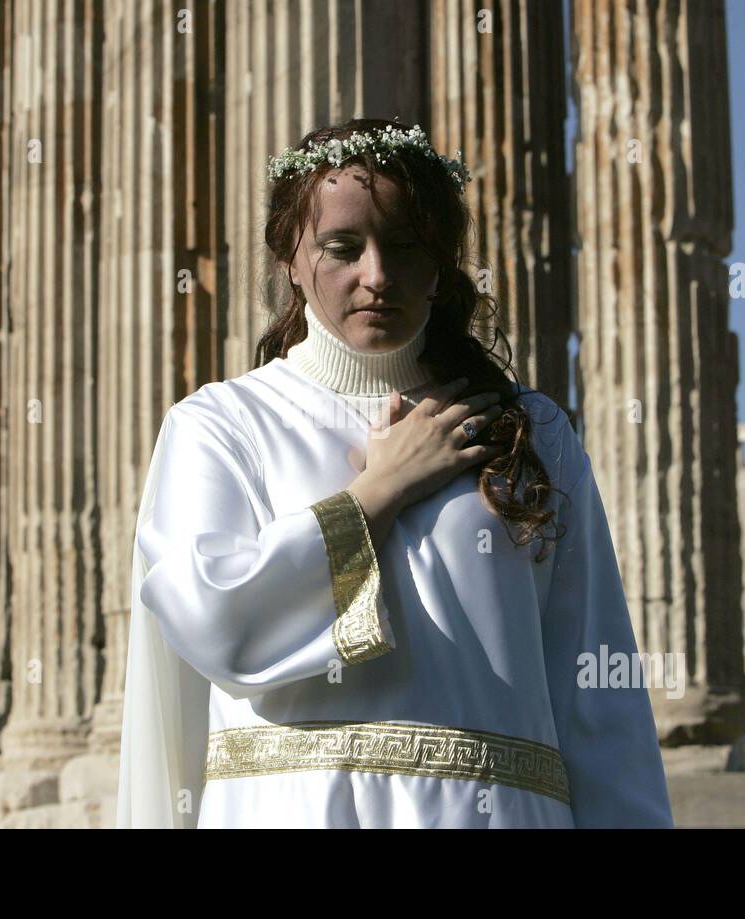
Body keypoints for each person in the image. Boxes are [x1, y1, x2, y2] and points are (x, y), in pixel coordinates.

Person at [115, 119, 673, 828]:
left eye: (404, 247)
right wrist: (376, 494)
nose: (376, 275)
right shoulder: (222, 426)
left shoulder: (533, 433)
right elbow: (215, 618)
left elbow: (599, 700)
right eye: (342, 247)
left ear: (439, 264)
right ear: (290, 255)